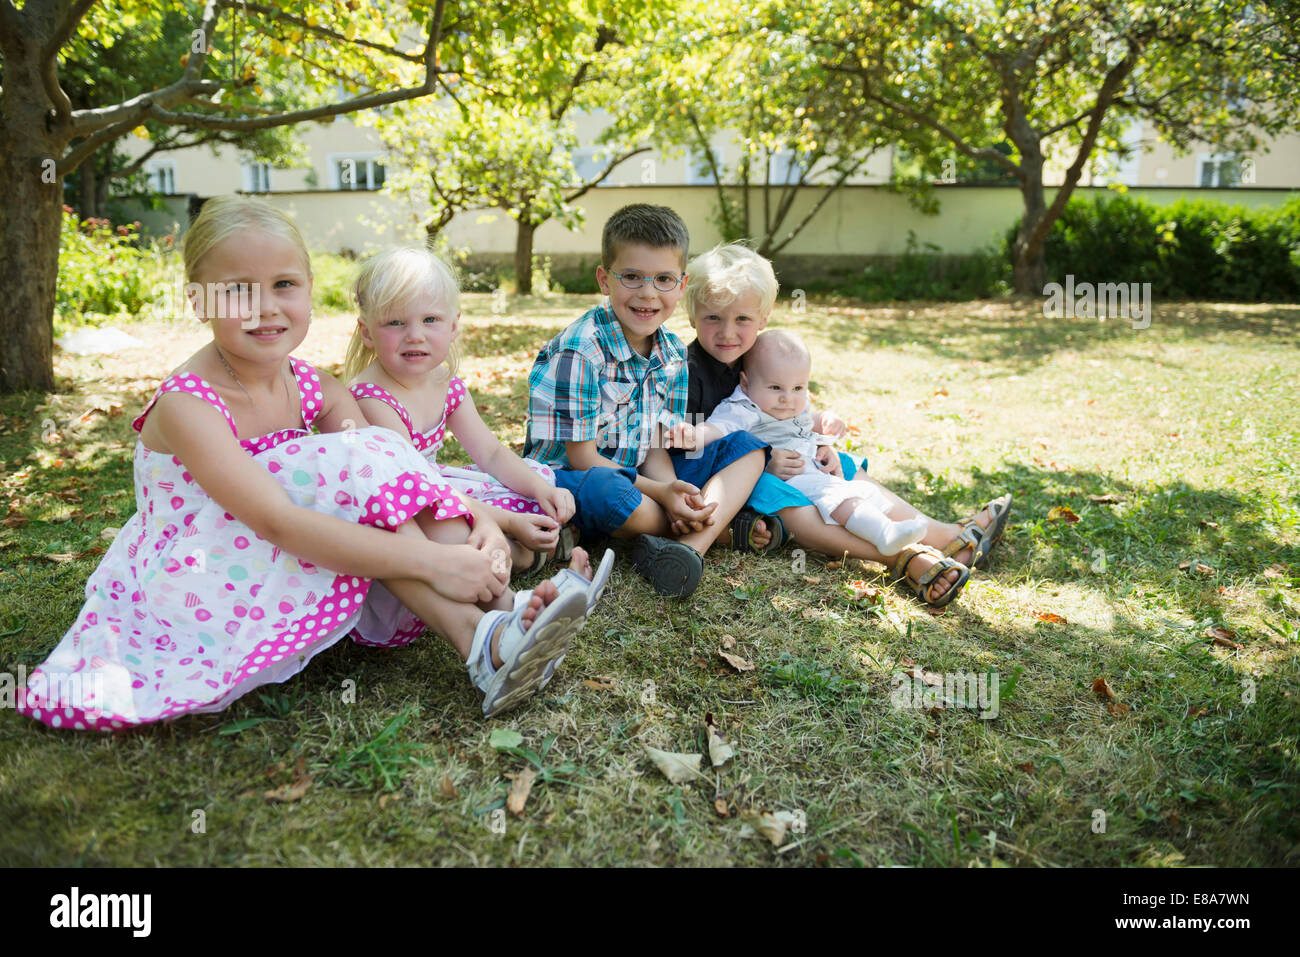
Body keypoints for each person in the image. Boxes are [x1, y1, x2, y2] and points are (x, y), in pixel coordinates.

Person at [17, 197, 599, 730]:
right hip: (209, 572)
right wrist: (434, 561)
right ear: (197, 301)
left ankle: (502, 625)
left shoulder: (313, 387)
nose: (266, 308)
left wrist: (481, 523)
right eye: (238, 290)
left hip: (301, 551)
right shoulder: (188, 405)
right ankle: (486, 635)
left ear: (310, 291)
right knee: (357, 465)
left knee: (374, 460)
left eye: (285, 284)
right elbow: (278, 523)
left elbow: (394, 471)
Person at [675, 243, 1013, 607]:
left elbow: (796, 411)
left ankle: (945, 535)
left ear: (763, 318)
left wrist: (819, 442)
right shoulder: (690, 373)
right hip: (738, 489)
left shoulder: (765, 355)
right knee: (794, 505)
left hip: (794, 462)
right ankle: (903, 558)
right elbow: (693, 451)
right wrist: (759, 458)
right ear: (693, 315)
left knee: (843, 469)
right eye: (714, 318)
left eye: (742, 319)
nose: (728, 332)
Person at [523, 204, 767, 598]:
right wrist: (662, 494)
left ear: (682, 285)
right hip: (570, 480)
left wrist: (673, 488)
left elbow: (653, 443)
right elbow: (583, 458)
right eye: (632, 277)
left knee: (747, 447)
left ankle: (683, 536)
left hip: (639, 477)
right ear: (605, 280)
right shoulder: (580, 351)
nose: (648, 293)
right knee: (611, 493)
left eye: (664, 279)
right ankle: (714, 529)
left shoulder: (671, 353)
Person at [344, 246, 580, 576]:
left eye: (430, 320)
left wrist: (541, 491)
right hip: (407, 503)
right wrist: (509, 520)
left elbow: (493, 453)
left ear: (453, 326)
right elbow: (418, 486)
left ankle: (532, 537)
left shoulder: (445, 383)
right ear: (367, 332)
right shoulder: (371, 399)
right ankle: (526, 555)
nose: (415, 336)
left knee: (535, 478)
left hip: (436, 488)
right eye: (395, 322)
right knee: (452, 535)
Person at [679, 329, 930, 554]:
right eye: (776, 388)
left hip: (812, 467)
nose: (788, 398)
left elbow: (808, 420)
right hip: (789, 478)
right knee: (839, 499)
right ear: (745, 383)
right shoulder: (744, 407)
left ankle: (907, 531)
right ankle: (885, 534)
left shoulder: (793, 402)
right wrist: (694, 435)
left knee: (859, 493)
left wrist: (824, 421)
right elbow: (719, 426)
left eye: (798, 388)